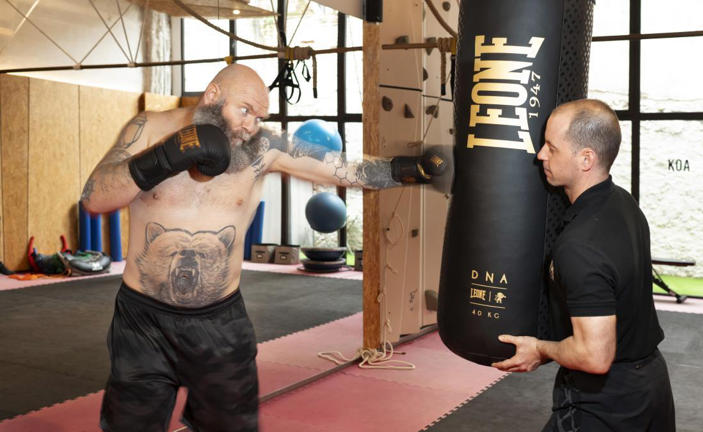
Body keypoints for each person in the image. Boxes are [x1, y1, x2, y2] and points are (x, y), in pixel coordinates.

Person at [81, 63, 446, 432]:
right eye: (245, 110)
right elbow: (94, 197)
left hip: (220, 324)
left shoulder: (263, 147)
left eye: (259, 116)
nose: (251, 125)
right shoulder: (149, 128)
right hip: (141, 323)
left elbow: (342, 169)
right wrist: (164, 156)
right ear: (212, 96)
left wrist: (411, 168)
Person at [491, 99, 675, 431]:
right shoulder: (623, 202)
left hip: (607, 401)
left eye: (551, 147)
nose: (540, 156)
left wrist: (540, 349)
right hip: (650, 385)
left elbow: (594, 356)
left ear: (586, 158)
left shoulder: (579, 245)